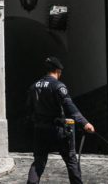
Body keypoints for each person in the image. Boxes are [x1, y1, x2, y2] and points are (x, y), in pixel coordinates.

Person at [26, 56, 95, 184]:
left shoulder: (33, 87)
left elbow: (29, 110)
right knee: (71, 160)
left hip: (40, 130)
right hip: (58, 130)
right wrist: (85, 123)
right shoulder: (58, 86)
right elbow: (70, 107)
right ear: (58, 71)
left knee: (39, 162)